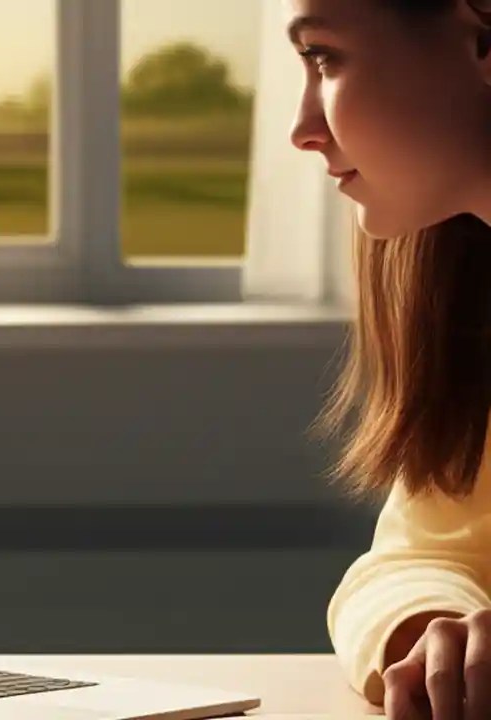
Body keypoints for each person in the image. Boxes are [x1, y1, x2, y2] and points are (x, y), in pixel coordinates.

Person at [286, 0, 491, 717]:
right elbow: (420, 555)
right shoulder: (470, 298)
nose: (302, 130)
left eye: (325, 57)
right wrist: (432, 635)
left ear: (483, 36)